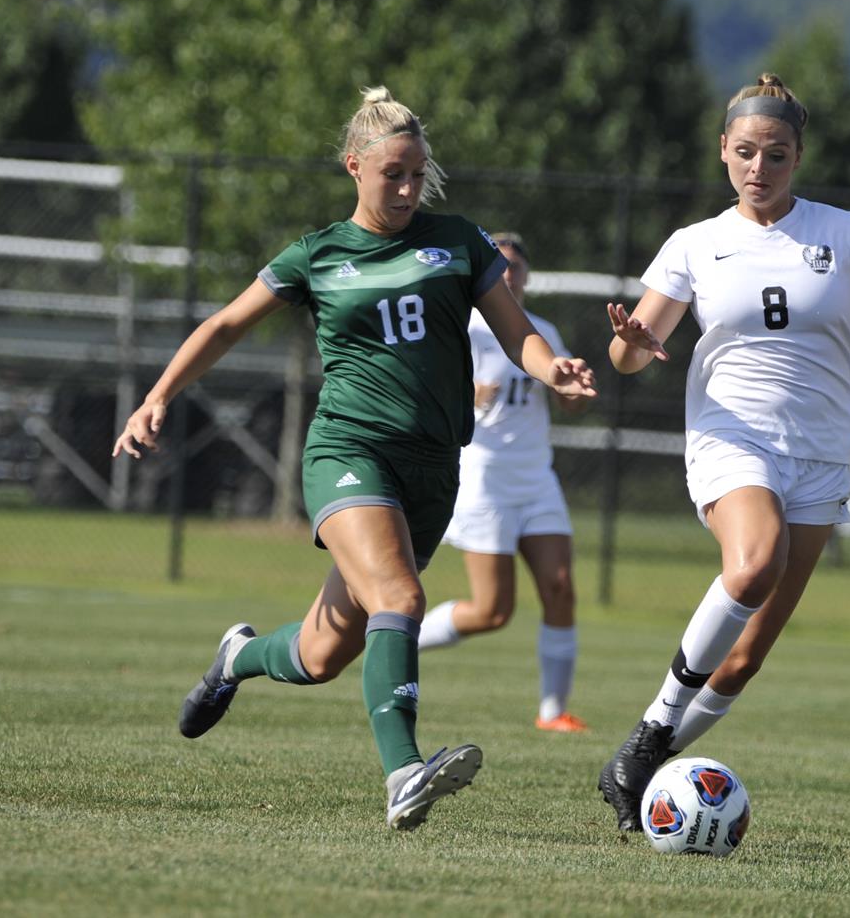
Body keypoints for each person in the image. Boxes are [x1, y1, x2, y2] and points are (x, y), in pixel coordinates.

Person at [112, 87, 597, 832]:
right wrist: (159, 395)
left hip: (433, 469)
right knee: (400, 599)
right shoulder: (318, 253)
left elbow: (517, 331)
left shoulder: (459, 240)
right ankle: (404, 772)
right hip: (349, 451)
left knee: (320, 653)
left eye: (416, 174)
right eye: (391, 174)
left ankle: (236, 656)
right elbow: (225, 324)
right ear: (354, 166)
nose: (406, 189)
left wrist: (550, 366)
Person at [595, 73, 850, 833]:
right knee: (754, 558)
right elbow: (628, 356)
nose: (758, 168)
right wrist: (632, 342)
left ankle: (634, 771)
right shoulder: (696, 245)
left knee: (744, 660)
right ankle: (651, 735)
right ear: (722, 152)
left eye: (775, 154)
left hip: (821, 455)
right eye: (745, 152)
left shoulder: (844, 231)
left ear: (798, 155)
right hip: (731, 436)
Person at [419, 231, 592, 733]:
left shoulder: (541, 330)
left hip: (536, 479)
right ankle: (399, 642)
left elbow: (566, 400)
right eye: (500, 265)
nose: (509, 273)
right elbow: (422, 391)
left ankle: (552, 711)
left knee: (560, 589)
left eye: (517, 265)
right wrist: (462, 393)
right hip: (486, 480)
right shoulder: (461, 329)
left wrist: (576, 387)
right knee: (493, 611)